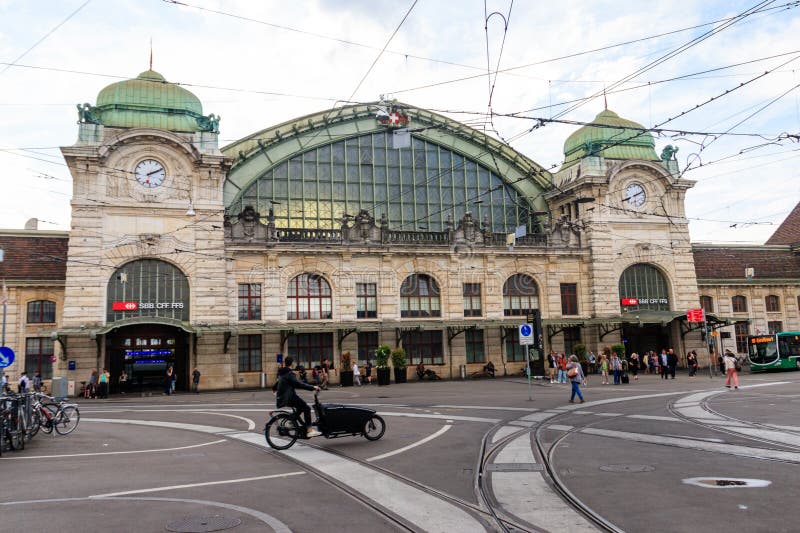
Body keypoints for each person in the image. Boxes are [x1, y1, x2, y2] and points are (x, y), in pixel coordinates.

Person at [274, 356, 321, 438]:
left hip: (284, 397)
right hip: (289, 397)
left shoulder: (282, 372)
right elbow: (299, 384)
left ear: (285, 363)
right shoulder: (289, 373)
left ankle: (291, 420)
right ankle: (309, 430)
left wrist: (274, 389)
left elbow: (278, 383)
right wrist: (313, 387)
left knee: (300, 407)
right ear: (292, 363)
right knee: (306, 408)